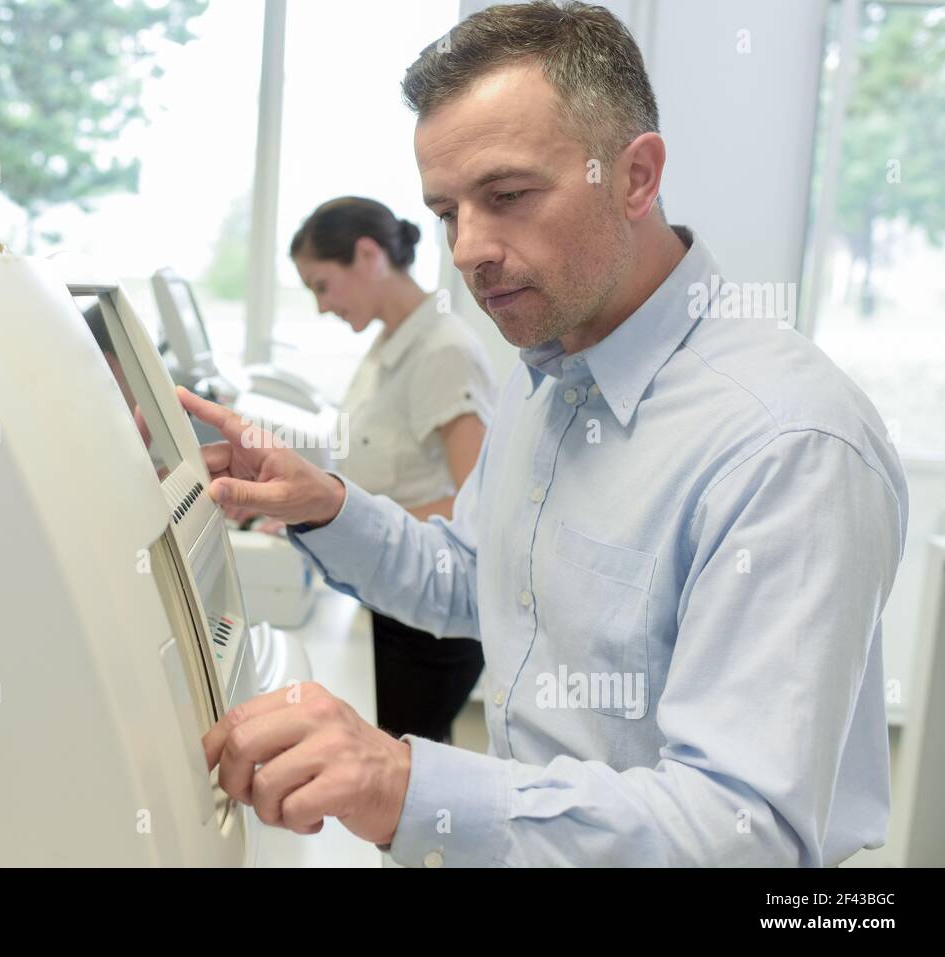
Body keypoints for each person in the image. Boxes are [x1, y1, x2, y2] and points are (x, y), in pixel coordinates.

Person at [177, 1, 908, 867]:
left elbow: (740, 832)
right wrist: (325, 505)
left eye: (509, 196)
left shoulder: (788, 443)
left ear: (636, 177)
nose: (467, 249)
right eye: (448, 211)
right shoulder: (550, 369)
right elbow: (477, 581)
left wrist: (403, 786)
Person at [289, 196, 495, 743]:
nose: (321, 306)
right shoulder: (389, 344)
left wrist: (341, 517)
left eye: (322, 285)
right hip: (397, 599)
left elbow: (480, 502)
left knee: (411, 782)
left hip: (434, 621)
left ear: (367, 254)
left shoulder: (442, 350)